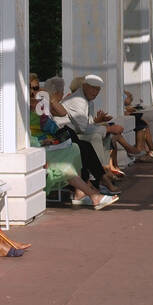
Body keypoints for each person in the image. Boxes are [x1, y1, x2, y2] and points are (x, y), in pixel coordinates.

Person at [44, 77, 121, 207]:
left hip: (61, 135)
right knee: (81, 147)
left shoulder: (59, 102)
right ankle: (95, 185)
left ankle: (90, 186)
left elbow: (74, 119)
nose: (63, 94)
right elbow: (79, 126)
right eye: (61, 91)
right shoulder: (72, 101)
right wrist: (51, 99)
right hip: (52, 138)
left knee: (82, 147)